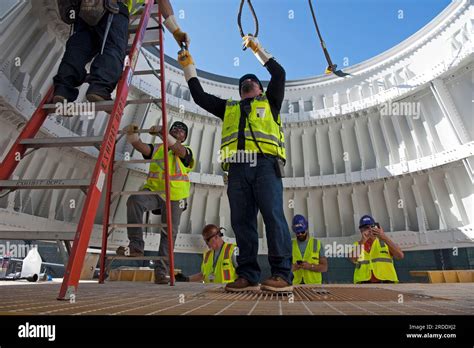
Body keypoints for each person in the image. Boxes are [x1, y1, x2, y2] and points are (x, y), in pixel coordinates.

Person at [177, 35, 292, 293]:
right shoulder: (229, 108)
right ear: (239, 93)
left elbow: (279, 73)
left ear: (260, 90)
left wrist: (257, 49)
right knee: (242, 222)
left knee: (273, 217)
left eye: (252, 82)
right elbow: (199, 97)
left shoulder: (271, 103)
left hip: (265, 165)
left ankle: (282, 274)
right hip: (237, 171)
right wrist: (188, 67)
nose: (246, 83)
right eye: (242, 84)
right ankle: (248, 274)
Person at [53, 0, 189, 104]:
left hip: (86, 8)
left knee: (78, 49)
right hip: (114, 7)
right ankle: (100, 88)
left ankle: (63, 90)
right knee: (114, 48)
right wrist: (176, 31)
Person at [117, 121, 195, 284]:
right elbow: (140, 146)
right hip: (154, 191)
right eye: (174, 128)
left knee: (169, 234)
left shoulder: (186, 151)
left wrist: (163, 134)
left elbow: (180, 151)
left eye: (181, 131)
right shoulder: (158, 149)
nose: (177, 131)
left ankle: (162, 272)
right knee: (134, 200)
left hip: (175, 196)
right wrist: (132, 134)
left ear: (185, 137)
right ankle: (136, 246)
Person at [350, 215, 404, 284]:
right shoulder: (357, 244)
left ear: (377, 227)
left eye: (372, 226)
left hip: (387, 282)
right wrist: (363, 241)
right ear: (361, 230)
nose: (369, 229)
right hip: (363, 283)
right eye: (366, 227)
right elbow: (352, 259)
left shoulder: (385, 242)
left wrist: (383, 236)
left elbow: (400, 255)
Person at [291, 215, 327, 285]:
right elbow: (283, 269)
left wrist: (310, 266)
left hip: (314, 285)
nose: (300, 234)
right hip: (295, 285)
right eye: (297, 233)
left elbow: (324, 267)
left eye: (302, 231)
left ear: (306, 229)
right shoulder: (290, 245)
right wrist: (293, 267)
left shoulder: (317, 244)